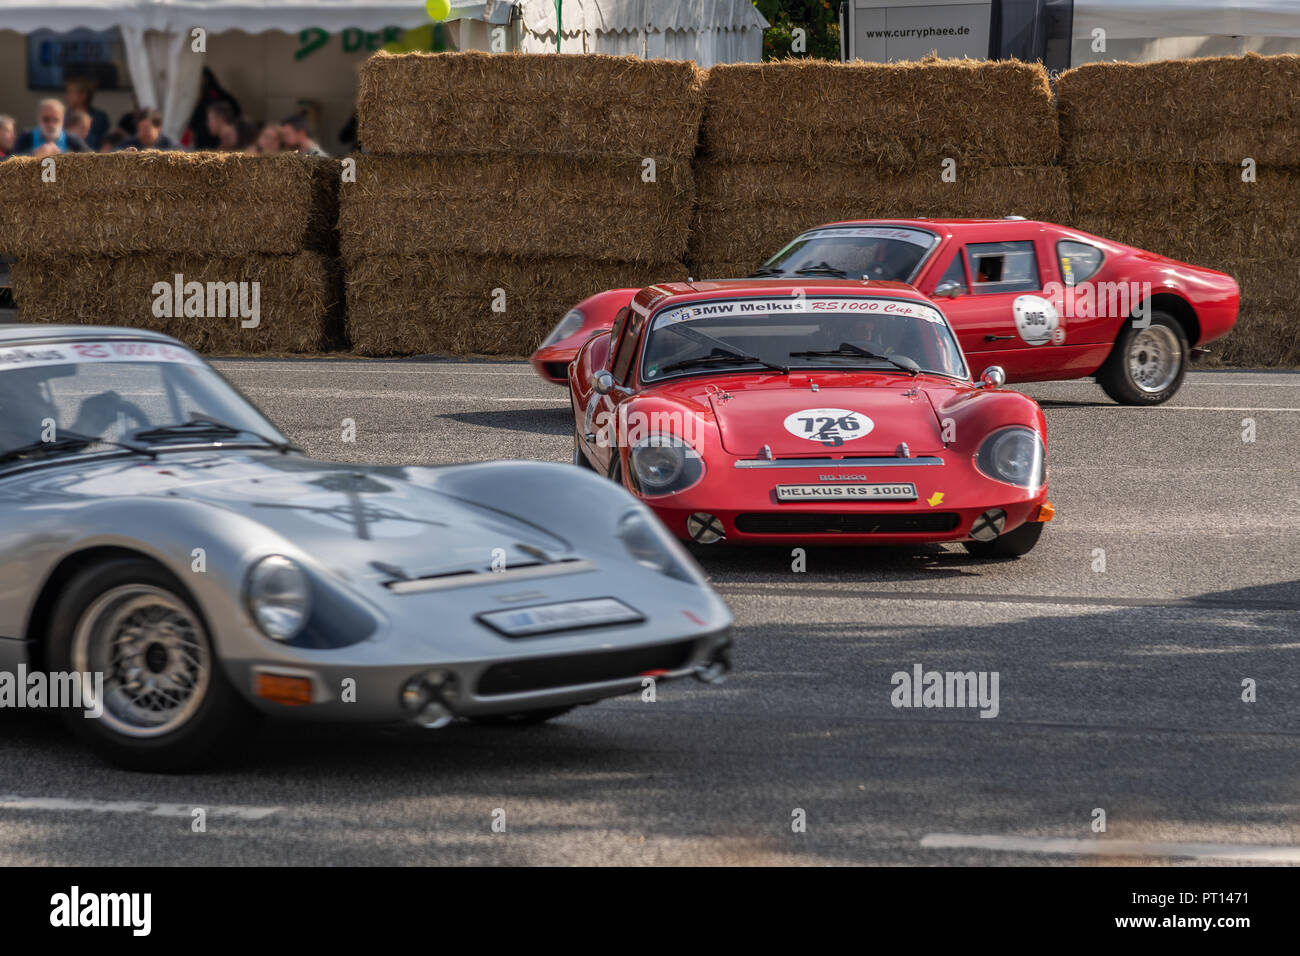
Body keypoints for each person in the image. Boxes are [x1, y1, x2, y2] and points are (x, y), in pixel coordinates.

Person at [15, 99, 91, 156]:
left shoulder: (73, 139)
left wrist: (65, 156)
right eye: (46, 119)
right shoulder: (26, 136)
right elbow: (6, 162)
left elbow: (93, 159)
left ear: (62, 120)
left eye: (56, 120)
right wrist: (33, 153)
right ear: (38, 119)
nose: (51, 124)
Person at [64, 76, 111, 150]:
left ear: (83, 95)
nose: (67, 96)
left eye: (71, 92)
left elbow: (105, 141)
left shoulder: (99, 118)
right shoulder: (62, 116)